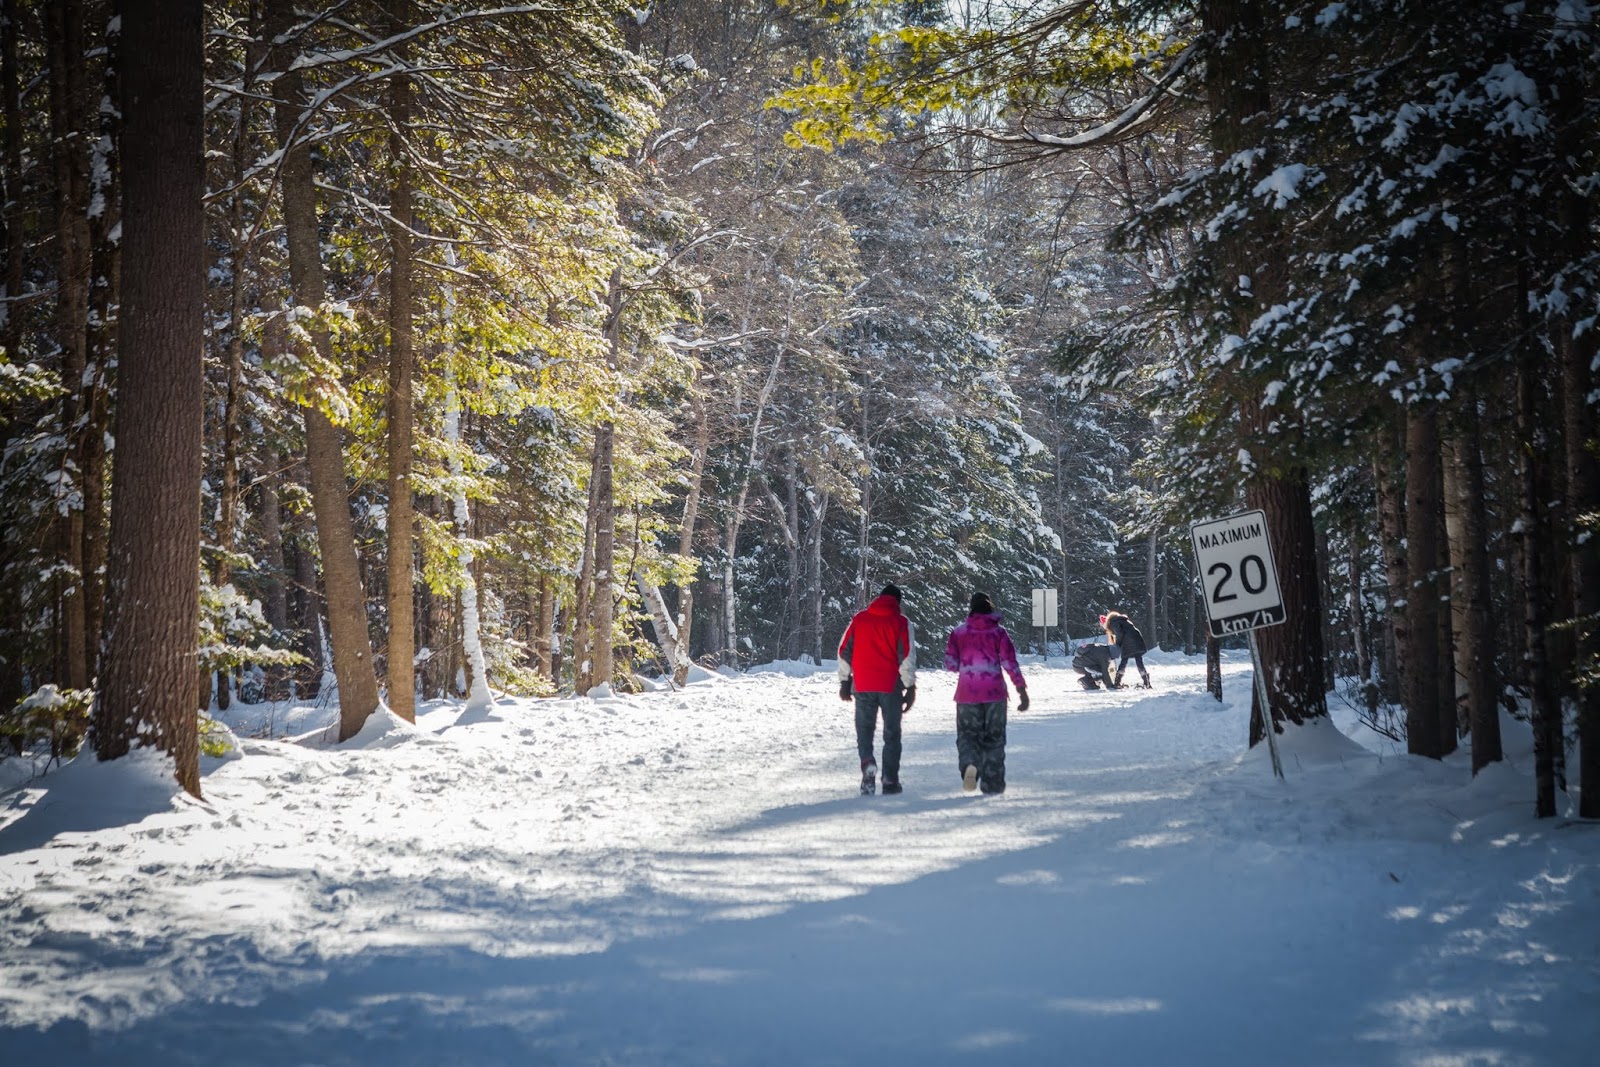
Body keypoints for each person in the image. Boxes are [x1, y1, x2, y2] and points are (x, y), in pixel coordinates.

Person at [944, 592, 1028, 795]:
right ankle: (993, 782)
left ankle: (969, 764)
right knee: (995, 738)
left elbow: (951, 665)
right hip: (995, 694)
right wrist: (1021, 690)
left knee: (967, 735)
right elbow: (1010, 663)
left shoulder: (958, 633)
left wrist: (966, 663)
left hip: (966, 694)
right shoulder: (999, 633)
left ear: (971, 610)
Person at [837, 583, 917, 795]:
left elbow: (844, 650)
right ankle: (890, 780)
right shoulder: (901, 622)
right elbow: (906, 657)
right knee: (892, 733)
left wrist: (845, 681)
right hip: (890, 686)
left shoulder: (859, 619)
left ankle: (867, 763)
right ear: (898, 602)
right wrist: (910, 687)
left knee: (864, 730)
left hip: (862, 684)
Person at [1101, 610, 1151, 689]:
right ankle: (1146, 682)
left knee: (1124, 661)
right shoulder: (1124, 621)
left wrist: (1117, 644)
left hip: (1127, 642)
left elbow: (1120, 633)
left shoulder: (1114, 622)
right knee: (1139, 660)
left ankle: (1117, 682)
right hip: (1137, 640)